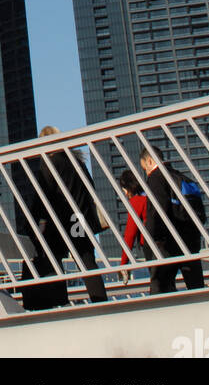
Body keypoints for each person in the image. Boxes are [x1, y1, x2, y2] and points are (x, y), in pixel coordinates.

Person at [30, 126, 107, 305]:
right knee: (86, 260)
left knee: (53, 260)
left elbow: (43, 194)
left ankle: (59, 303)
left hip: (60, 220)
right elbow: (90, 188)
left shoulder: (50, 162)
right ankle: (100, 300)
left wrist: (36, 220)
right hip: (80, 217)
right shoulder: (76, 160)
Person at [139, 146, 205, 294]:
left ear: (149, 161)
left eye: (145, 168)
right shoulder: (182, 177)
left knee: (160, 287)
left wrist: (152, 238)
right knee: (196, 288)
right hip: (191, 241)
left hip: (169, 242)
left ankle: (159, 316)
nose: (146, 173)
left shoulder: (156, 177)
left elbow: (157, 210)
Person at [117, 169, 147, 287]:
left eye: (124, 189)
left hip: (153, 245)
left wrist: (123, 264)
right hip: (168, 243)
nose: (124, 193)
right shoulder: (151, 195)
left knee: (158, 284)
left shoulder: (137, 200)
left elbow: (130, 234)